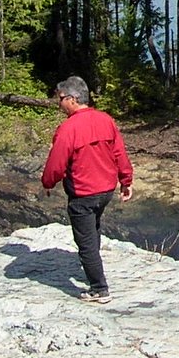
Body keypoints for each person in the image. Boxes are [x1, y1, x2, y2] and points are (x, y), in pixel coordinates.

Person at [40, 75, 133, 303]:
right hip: (105, 192)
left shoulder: (68, 128)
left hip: (83, 193)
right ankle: (95, 270)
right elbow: (119, 153)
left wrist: (48, 183)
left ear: (72, 99)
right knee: (94, 231)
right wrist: (126, 181)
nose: (58, 103)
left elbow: (56, 162)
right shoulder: (105, 120)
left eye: (60, 98)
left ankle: (99, 288)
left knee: (86, 243)